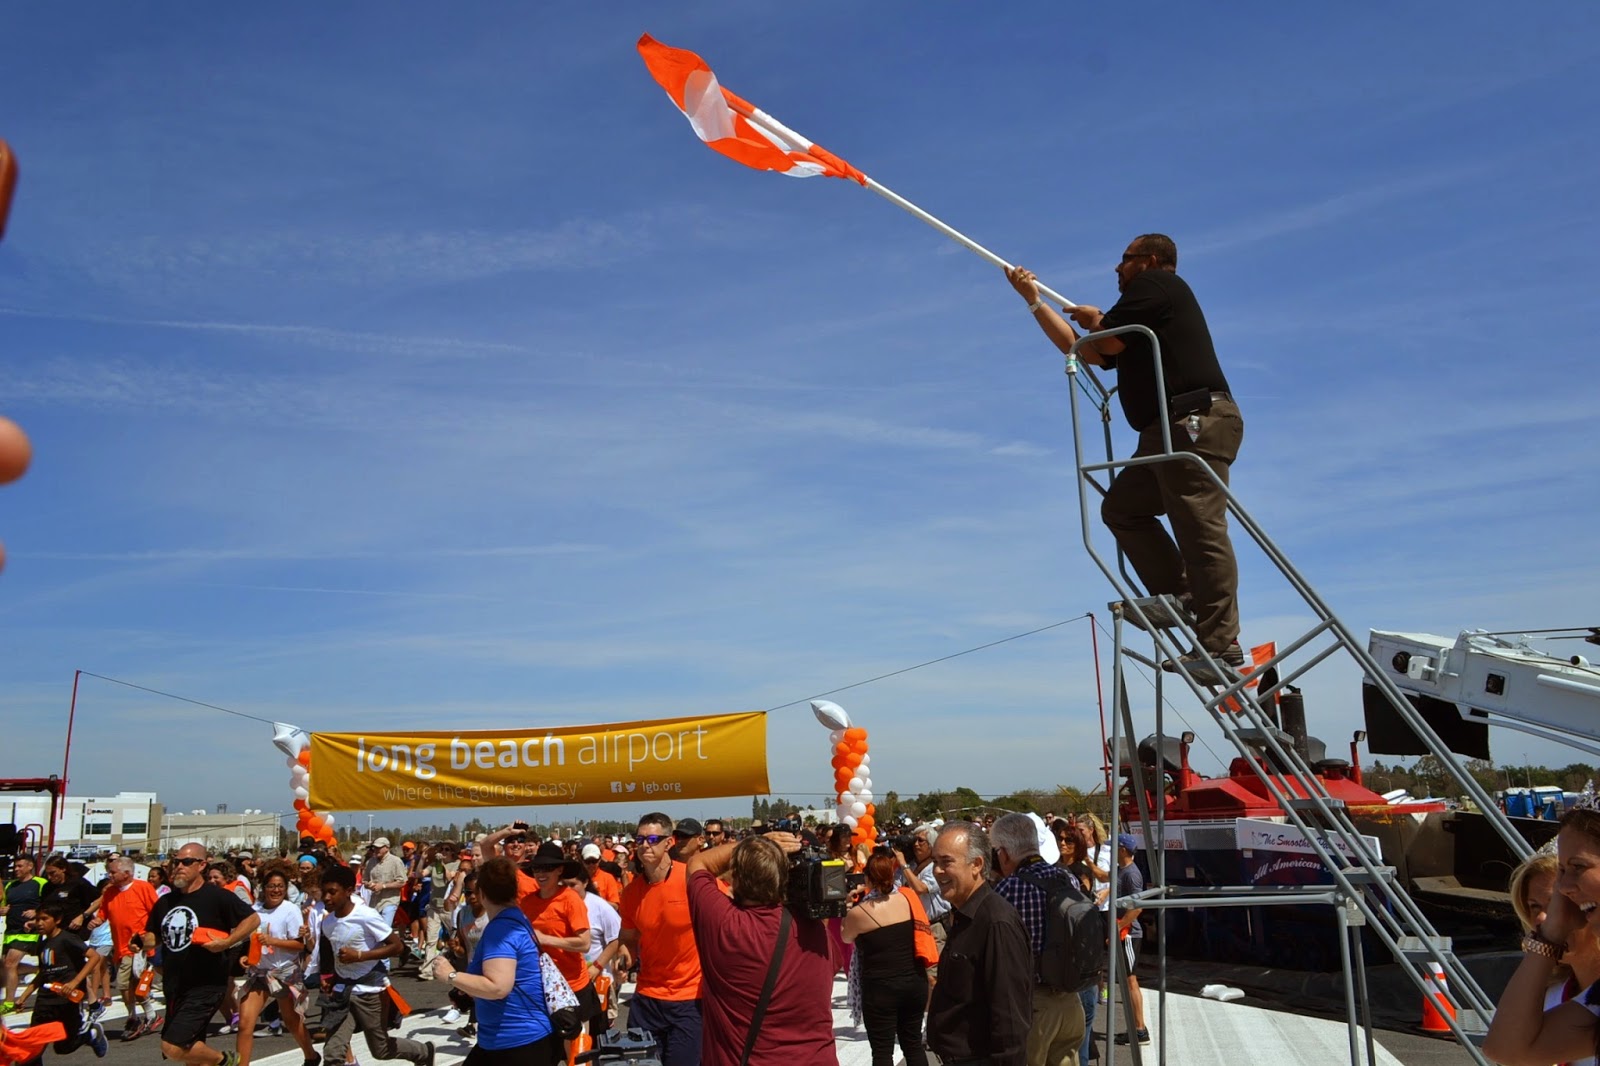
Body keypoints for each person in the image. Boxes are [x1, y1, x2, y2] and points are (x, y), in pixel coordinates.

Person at [1006, 234, 1245, 672]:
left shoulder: (1154, 286)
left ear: (1149, 261)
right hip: (1163, 431)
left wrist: (1099, 319)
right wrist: (1034, 301)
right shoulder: (1141, 310)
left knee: (1200, 527)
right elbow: (1087, 351)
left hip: (1193, 420)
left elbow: (1108, 340)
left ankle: (1221, 643)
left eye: (1124, 260)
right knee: (1122, 509)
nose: (1117, 268)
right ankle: (1188, 598)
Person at [686, 832, 837, 1066]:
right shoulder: (814, 930)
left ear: (734, 878)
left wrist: (759, 842)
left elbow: (698, 863)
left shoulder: (723, 923)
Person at [1486, 816, 1600, 1066]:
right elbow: (1504, 1051)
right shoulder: (1568, 999)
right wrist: (1549, 937)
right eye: (1533, 907)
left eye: (1578, 867)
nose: (1541, 918)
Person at [430, 858, 559, 1066]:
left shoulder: (500, 930)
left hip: (514, 1042)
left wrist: (450, 975)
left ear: (482, 894)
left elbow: (498, 987)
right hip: (512, 1038)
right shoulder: (517, 917)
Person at [143, 842, 260, 1066]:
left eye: (186, 862)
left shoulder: (216, 896)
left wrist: (227, 942)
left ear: (201, 865)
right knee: (190, 1050)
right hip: (175, 985)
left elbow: (252, 919)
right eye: (176, 861)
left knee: (172, 1047)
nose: (179, 866)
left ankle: (226, 1061)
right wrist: (140, 942)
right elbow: (155, 936)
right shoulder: (166, 901)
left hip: (206, 984)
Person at [926, 822, 1031, 1066]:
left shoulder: (996, 922)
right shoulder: (965, 914)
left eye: (946, 862)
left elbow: (1010, 1020)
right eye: (935, 862)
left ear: (977, 865)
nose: (937, 871)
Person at [313, 865, 432, 1066]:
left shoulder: (366, 916)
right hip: (342, 992)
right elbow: (332, 953)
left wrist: (360, 956)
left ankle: (423, 1052)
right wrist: (330, 978)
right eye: (324, 892)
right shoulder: (328, 923)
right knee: (333, 1053)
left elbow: (397, 946)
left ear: (349, 891)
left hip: (370, 990)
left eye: (332, 892)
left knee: (381, 1049)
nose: (326, 897)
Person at [992, 814, 1087, 1066]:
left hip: (1034, 1004)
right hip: (1070, 1000)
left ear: (1003, 853)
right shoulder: (1067, 878)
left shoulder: (1007, 889)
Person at [618, 812, 702, 1066]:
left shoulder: (692, 879)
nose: (645, 845)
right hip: (647, 998)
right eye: (640, 839)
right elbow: (629, 938)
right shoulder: (632, 892)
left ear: (669, 843)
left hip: (689, 999)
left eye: (653, 839)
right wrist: (624, 959)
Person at [841, 847, 929, 1066]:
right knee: (913, 1044)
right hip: (914, 982)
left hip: (880, 990)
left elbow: (845, 937)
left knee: (882, 1052)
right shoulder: (908, 899)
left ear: (868, 878)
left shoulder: (859, 913)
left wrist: (847, 905)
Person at [518, 843, 597, 1055]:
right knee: (544, 1050)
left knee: (576, 1051)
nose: (541, 874)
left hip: (572, 987)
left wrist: (546, 939)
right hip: (539, 986)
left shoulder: (570, 899)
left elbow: (584, 943)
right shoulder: (526, 902)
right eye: (537, 869)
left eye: (548, 868)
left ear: (559, 870)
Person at [237, 863, 316, 1066]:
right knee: (245, 1023)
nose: (276, 890)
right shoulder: (254, 911)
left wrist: (273, 942)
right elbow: (249, 940)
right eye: (271, 886)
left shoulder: (290, 910)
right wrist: (245, 957)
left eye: (280, 886)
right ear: (264, 888)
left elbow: (299, 945)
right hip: (259, 973)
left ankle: (311, 1056)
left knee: (291, 1020)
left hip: (284, 973)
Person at [10, 902, 109, 1061]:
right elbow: (43, 973)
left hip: (67, 1000)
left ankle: (90, 1034)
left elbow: (94, 957)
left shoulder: (67, 939)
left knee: (63, 1047)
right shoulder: (42, 944)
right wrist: (23, 997)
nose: (39, 923)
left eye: (44, 919)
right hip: (45, 1001)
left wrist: (74, 982)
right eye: (37, 919)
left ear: (57, 920)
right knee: (32, 1049)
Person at [93, 856, 160, 1041]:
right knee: (133, 985)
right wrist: (95, 921)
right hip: (119, 946)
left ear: (127, 873)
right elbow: (103, 914)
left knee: (124, 983)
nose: (110, 875)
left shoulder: (143, 888)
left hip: (137, 946)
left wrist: (149, 937)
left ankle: (133, 1018)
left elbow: (157, 912)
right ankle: (149, 1014)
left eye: (113, 872)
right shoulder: (110, 892)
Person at [1111, 834, 1149, 1046]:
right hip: (1123, 931)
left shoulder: (1132, 875)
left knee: (1130, 980)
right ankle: (1137, 1028)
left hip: (1129, 934)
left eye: (1116, 847)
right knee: (1127, 980)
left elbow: (1138, 907)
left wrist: (1118, 927)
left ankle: (1140, 1029)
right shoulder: (1121, 870)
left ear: (1123, 849)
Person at [3, 856, 48, 1013]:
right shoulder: (10, 885)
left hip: (29, 931)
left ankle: (9, 1002)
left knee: (10, 964)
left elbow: (50, 903)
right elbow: (3, 906)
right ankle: (37, 970)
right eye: (15, 866)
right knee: (6, 966)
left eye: (20, 866)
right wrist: (3, 910)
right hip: (11, 931)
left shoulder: (40, 883)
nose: (16, 869)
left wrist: (36, 913)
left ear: (30, 867)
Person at [360, 839, 408, 930]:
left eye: (379, 847)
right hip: (374, 902)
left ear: (387, 848)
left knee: (384, 928)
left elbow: (402, 881)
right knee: (372, 929)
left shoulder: (396, 861)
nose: (376, 850)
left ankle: (389, 942)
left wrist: (383, 886)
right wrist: (369, 885)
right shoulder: (370, 862)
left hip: (390, 900)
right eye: (375, 847)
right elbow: (365, 880)